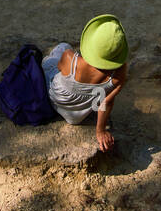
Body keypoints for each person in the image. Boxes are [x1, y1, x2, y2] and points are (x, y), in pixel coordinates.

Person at [42, 14, 128, 152]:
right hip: (77, 117)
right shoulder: (118, 75)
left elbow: (59, 67)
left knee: (62, 48)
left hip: (56, 99)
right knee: (100, 93)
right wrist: (100, 131)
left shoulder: (70, 58)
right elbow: (106, 102)